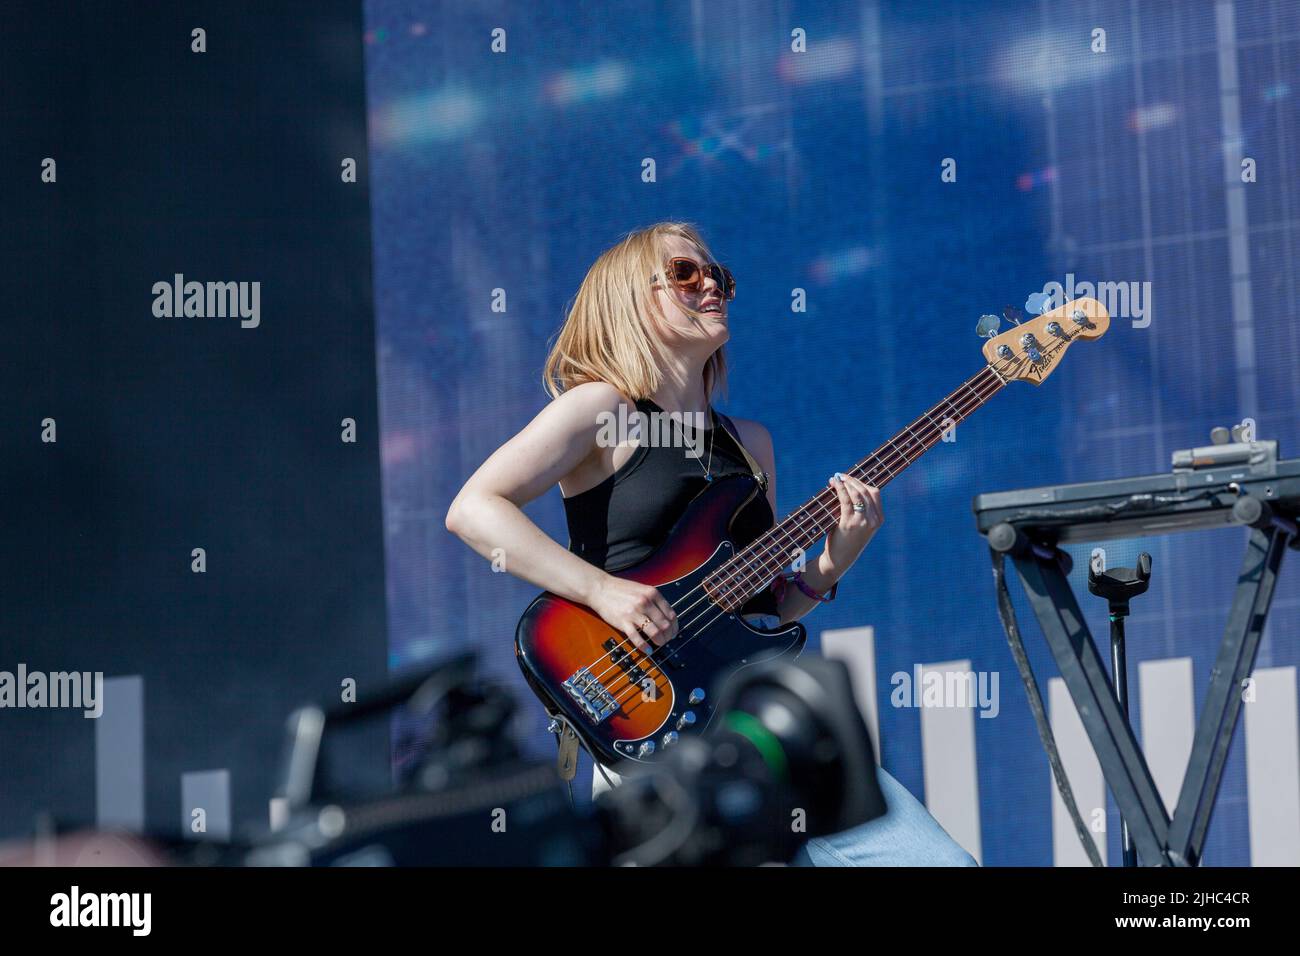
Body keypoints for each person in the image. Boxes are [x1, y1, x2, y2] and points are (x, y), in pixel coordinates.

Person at [445, 221, 976, 866]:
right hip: (651, 724)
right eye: (685, 275)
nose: (712, 287)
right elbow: (474, 508)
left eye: (717, 276)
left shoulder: (750, 445)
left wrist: (839, 555)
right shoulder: (599, 409)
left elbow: (761, 609)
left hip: (761, 727)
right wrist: (604, 592)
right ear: (628, 299)